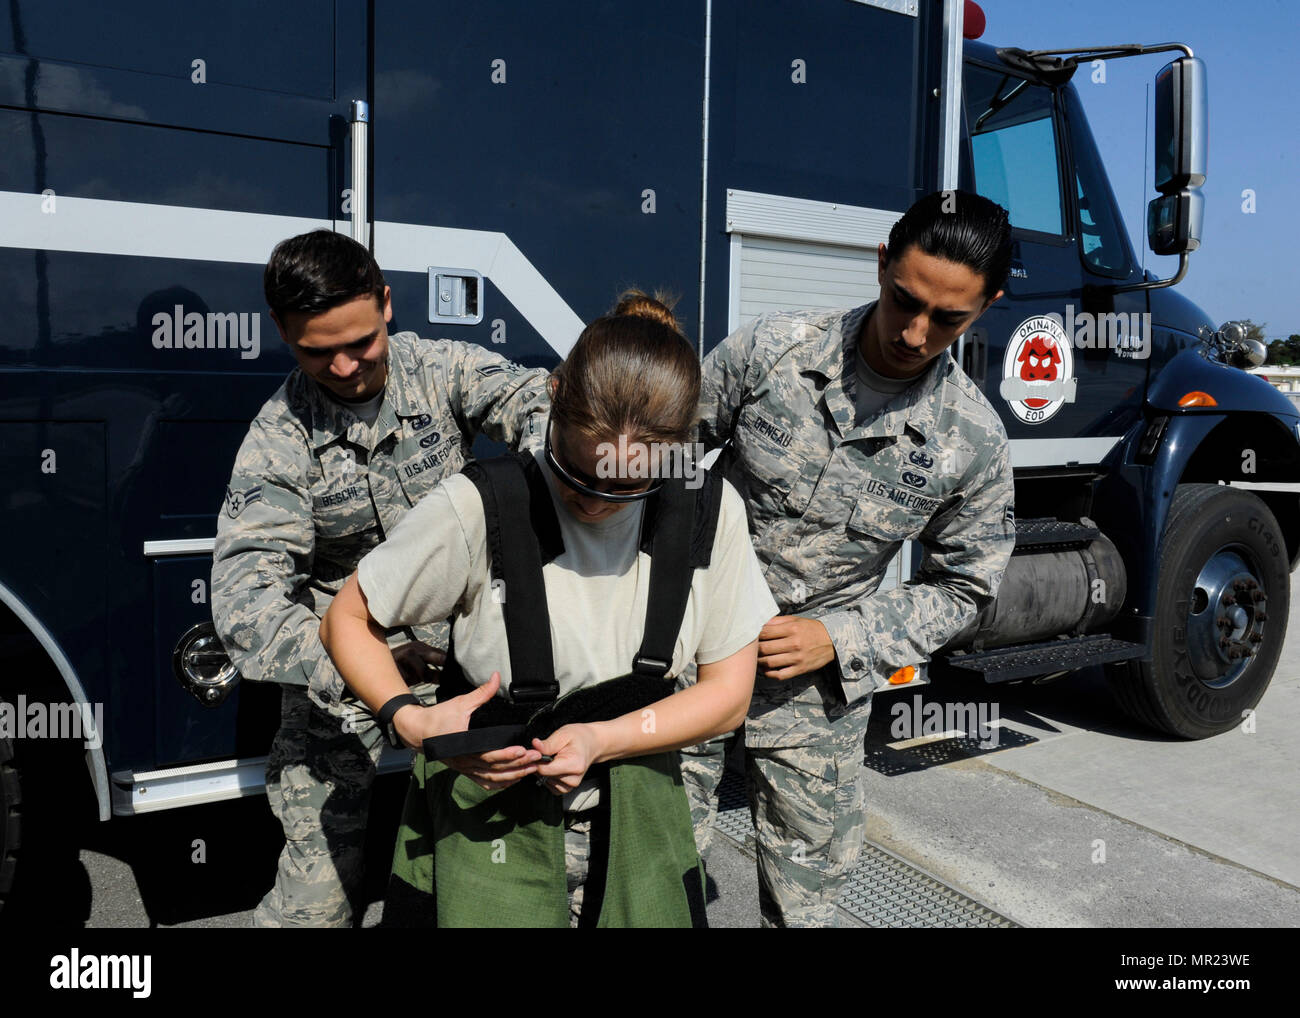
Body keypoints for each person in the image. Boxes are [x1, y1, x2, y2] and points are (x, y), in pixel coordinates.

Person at [319, 293, 779, 927]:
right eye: (575, 473)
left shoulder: (706, 510)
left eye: (627, 486)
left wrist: (601, 739)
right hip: (489, 830)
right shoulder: (480, 505)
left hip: (640, 822)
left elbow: (727, 695)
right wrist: (411, 721)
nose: (594, 502)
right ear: (553, 398)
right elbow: (347, 619)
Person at [684, 190, 1017, 927]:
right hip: (692, 654)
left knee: (805, 901)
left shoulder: (970, 439)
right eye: (906, 301)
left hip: (813, 689)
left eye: (949, 319)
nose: (916, 334)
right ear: (882, 263)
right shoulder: (773, 351)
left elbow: (966, 584)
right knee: (651, 868)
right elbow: (666, 458)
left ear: (987, 306)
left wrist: (839, 637)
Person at [210, 229, 549, 927]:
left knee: (500, 871)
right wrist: (366, 664)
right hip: (339, 673)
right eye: (316, 351)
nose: (342, 366)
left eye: (360, 342)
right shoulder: (280, 437)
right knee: (313, 907)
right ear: (281, 331)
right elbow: (246, 600)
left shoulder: (442, 370)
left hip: (463, 657)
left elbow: (544, 409)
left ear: (387, 304)